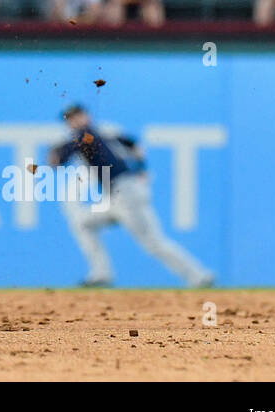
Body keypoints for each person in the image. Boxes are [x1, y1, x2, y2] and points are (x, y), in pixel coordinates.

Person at [49, 104, 213, 288]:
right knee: (82, 223)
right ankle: (101, 274)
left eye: (77, 116)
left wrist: (140, 169)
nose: (75, 121)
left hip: (127, 194)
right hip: (115, 196)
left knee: (153, 242)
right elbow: (134, 145)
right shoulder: (103, 133)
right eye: (70, 118)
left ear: (87, 115)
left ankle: (200, 276)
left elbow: (61, 157)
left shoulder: (89, 134)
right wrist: (141, 168)